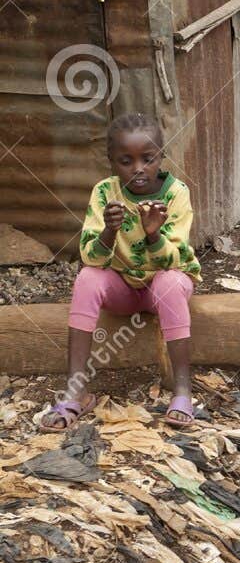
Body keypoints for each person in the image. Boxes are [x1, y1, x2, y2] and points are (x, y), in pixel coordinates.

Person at [40, 112, 201, 430]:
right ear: (112, 162)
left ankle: (182, 390)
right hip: (124, 291)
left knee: (169, 282)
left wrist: (154, 234)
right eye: (126, 160)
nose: (139, 168)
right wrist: (108, 233)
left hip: (164, 287)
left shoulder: (175, 193)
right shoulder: (104, 193)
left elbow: (176, 259)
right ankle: (75, 392)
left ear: (162, 156)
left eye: (148, 158)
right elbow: (90, 257)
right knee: (87, 278)